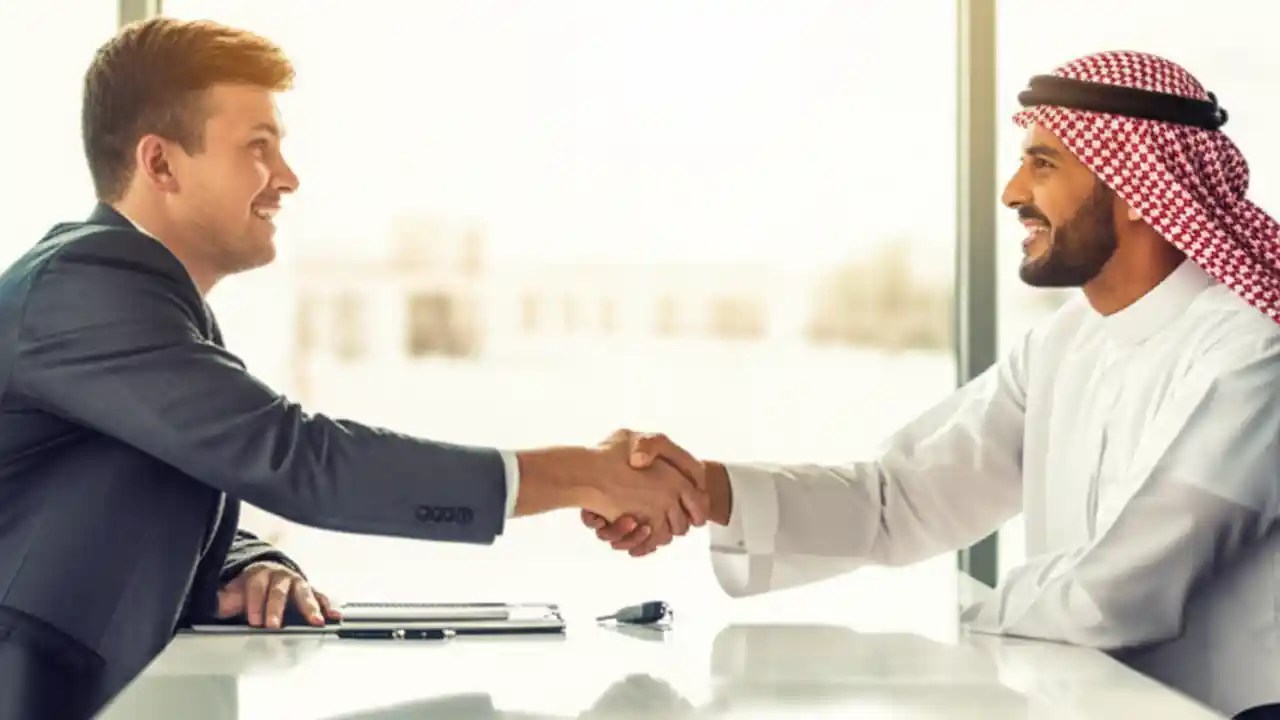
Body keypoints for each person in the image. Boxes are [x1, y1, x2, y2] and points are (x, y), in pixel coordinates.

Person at [0, 18, 705, 718]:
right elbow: (296, 455)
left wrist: (248, 562)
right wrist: (584, 474)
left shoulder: (130, 297)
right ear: (160, 164)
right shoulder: (85, 284)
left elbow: (130, 479)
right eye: (258, 147)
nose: (287, 177)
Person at [586, 51, 1280, 719]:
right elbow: (900, 499)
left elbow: (1123, 594)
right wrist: (705, 489)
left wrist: (961, 629)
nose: (1012, 193)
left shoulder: (1254, 351)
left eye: (1043, 165)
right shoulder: (1064, 342)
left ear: (1138, 190)